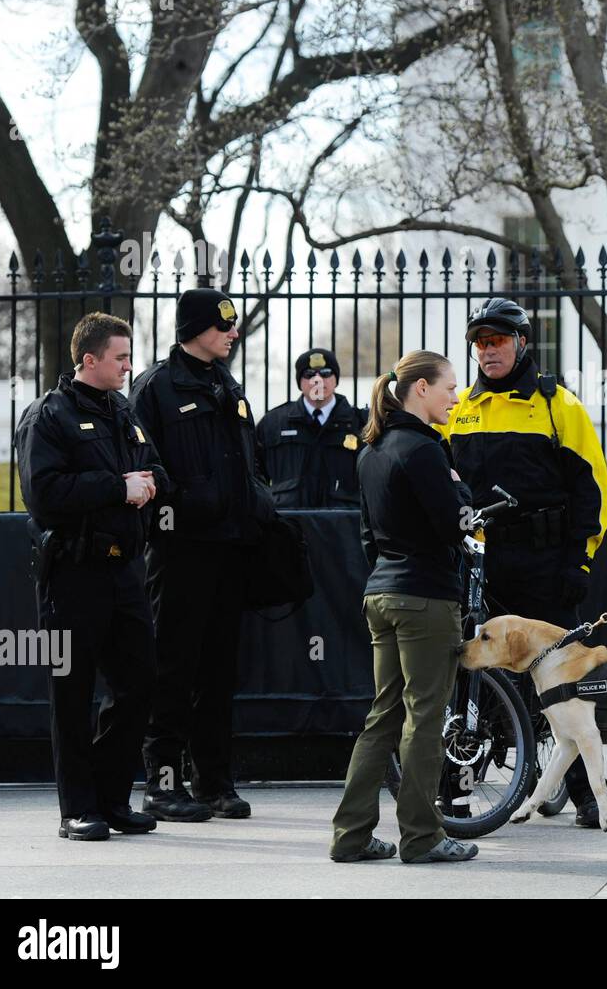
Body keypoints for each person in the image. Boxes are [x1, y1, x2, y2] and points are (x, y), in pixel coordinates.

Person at [438, 297, 607, 827]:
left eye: (498, 341)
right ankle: (461, 793)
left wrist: (580, 562)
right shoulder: (460, 407)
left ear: (521, 342)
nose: (488, 351)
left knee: (561, 685)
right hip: (482, 564)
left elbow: (596, 491)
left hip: (545, 563)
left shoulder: (558, 403)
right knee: (473, 678)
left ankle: (585, 794)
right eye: (480, 343)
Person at [14, 313, 166, 841]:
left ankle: (110, 798)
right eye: (120, 357)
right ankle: (77, 809)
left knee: (139, 683)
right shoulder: (47, 416)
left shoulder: (122, 411)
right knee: (72, 695)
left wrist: (147, 483)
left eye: (129, 357)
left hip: (126, 570)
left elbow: (153, 467)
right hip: (73, 574)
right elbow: (45, 495)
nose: (128, 366)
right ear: (90, 360)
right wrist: (116, 486)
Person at [129, 287, 274, 822]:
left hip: (230, 547)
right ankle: (162, 783)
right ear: (194, 329)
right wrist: (187, 504)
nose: (233, 333)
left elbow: (250, 458)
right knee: (174, 667)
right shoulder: (156, 388)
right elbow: (144, 462)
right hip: (180, 549)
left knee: (218, 670)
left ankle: (213, 781)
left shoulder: (227, 385)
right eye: (223, 325)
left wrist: (257, 500)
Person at [329, 350, 478, 864]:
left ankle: (350, 836)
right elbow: (457, 525)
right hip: (426, 597)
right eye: (449, 387)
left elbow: (369, 535)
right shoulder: (424, 450)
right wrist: (464, 494)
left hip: (382, 592)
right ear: (420, 390)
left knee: (383, 718)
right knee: (425, 719)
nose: (455, 397)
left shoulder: (370, 450)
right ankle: (422, 836)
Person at [256, 347, 368, 509]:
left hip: (343, 527)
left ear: (336, 379)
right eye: (309, 374)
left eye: (325, 373)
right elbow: (255, 475)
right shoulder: (273, 423)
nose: (317, 380)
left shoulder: (360, 424)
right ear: (300, 382)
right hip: (289, 526)